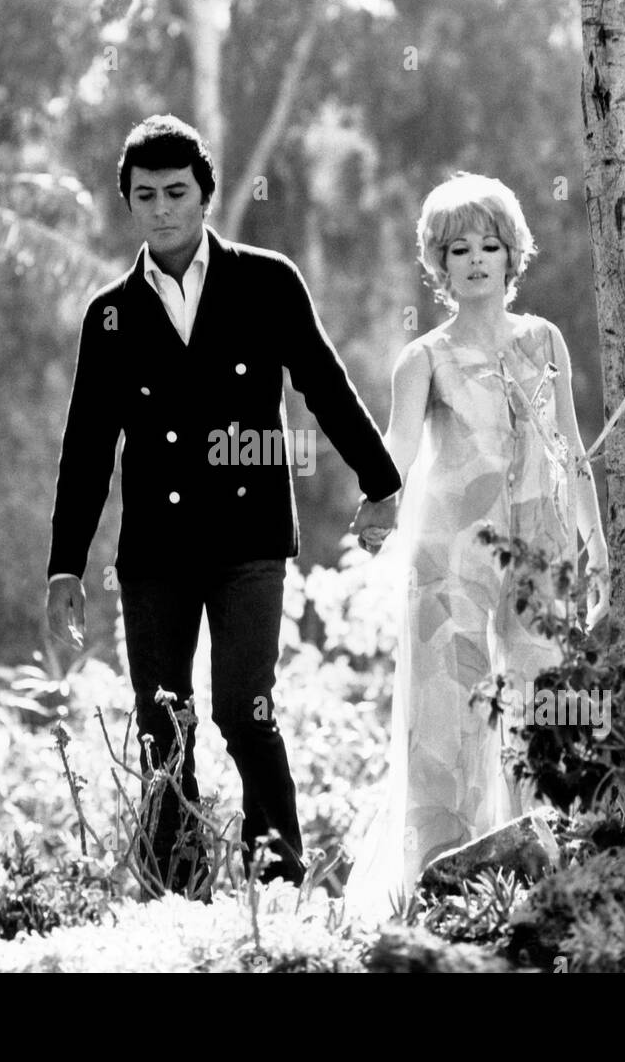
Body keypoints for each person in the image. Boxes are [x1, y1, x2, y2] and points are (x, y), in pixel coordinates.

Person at [45, 115, 400, 896]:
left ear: (205, 195)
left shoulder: (267, 281)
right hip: (156, 551)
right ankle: (178, 889)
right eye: (146, 195)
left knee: (247, 710)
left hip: (249, 539)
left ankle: (277, 878)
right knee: (162, 724)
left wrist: (382, 481)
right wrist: (65, 564)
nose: (163, 208)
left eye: (178, 191)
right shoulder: (109, 313)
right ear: (129, 204)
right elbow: (87, 445)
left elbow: (324, 384)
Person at [344, 172, 609, 919]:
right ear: (438, 262)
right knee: (447, 717)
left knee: (545, 699)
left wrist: (595, 536)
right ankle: (439, 892)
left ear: (512, 252)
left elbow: (573, 446)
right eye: (457, 247)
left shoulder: (546, 340)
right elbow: (394, 449)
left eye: (490, 244)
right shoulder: (422, 358)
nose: (476, 259)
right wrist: (374, 504)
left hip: (544, 543)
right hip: (449, 551)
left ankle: (548, 870)